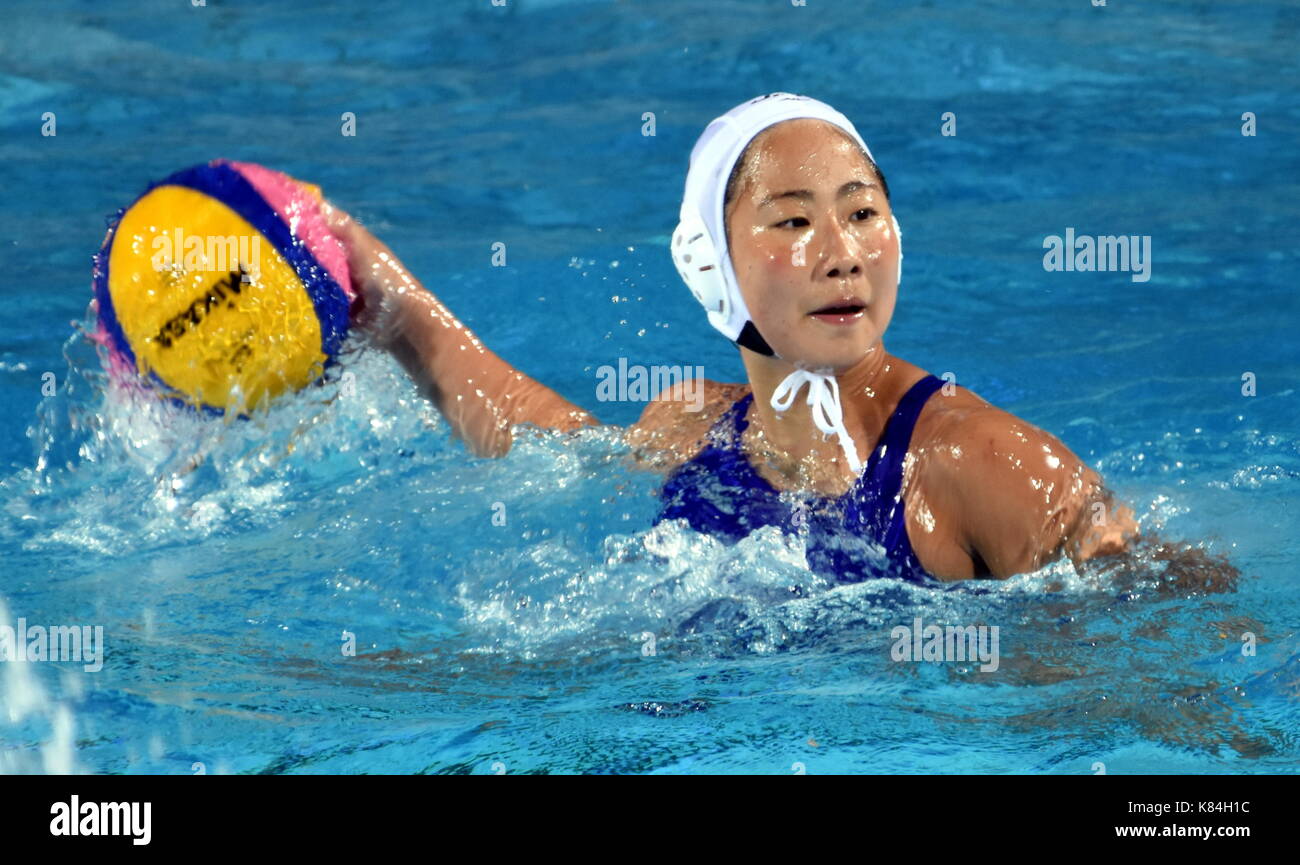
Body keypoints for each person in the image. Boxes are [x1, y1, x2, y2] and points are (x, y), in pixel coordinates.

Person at [320, 93, 1157, 584]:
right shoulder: (692, 428)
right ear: (708, 265)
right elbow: (541, 439)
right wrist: (385, 301)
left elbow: (1164, 608)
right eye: (793, 220)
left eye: (864, 213)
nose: (842, 255)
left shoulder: (976, 460)